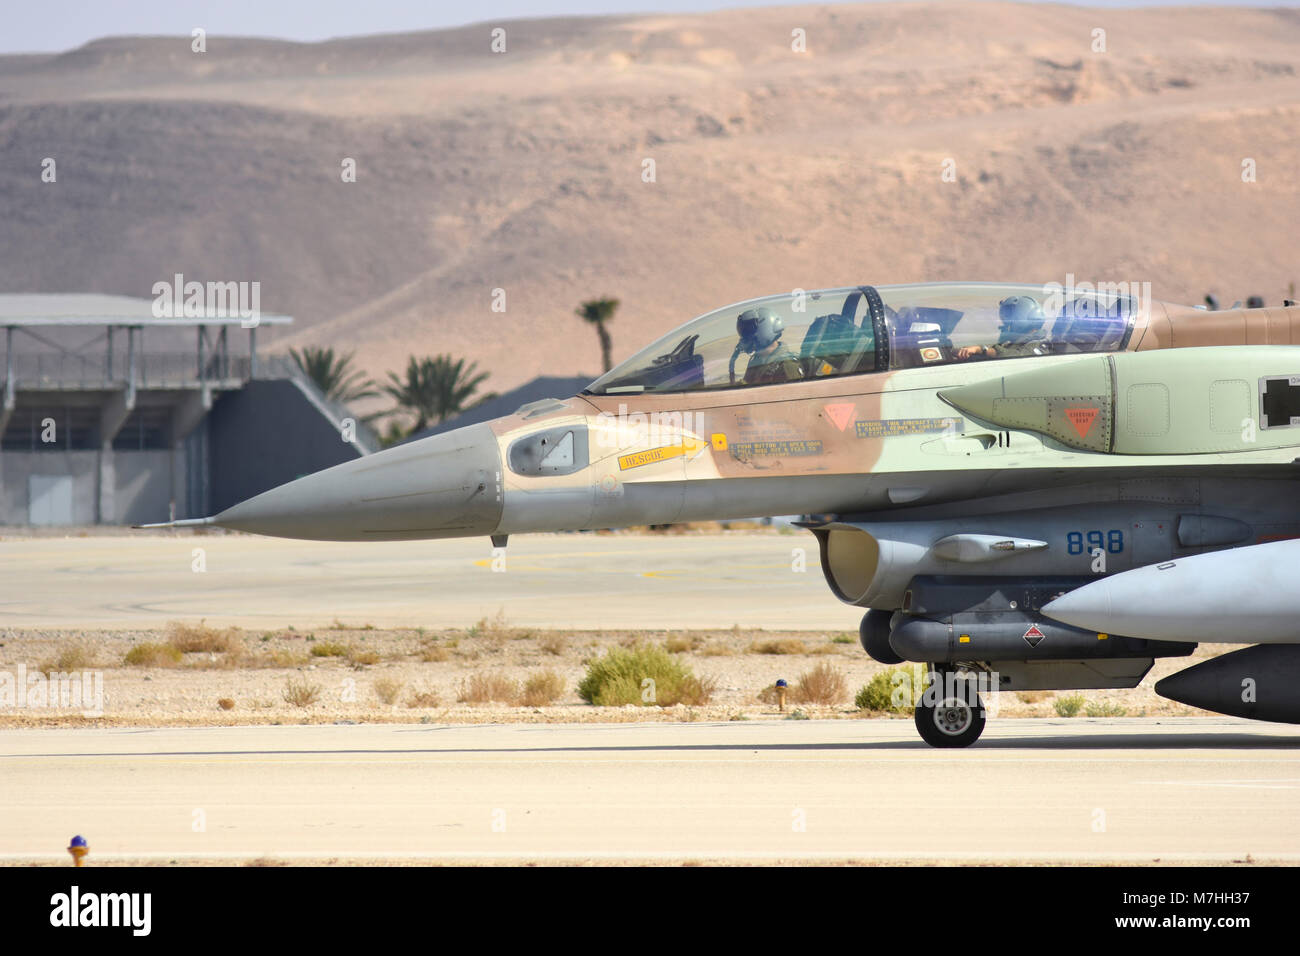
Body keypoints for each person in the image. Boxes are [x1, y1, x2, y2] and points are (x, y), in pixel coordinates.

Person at [954, 295, 1049, 360]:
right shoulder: (1016, 341)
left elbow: (1013, 356)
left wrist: (981, 349)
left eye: (1008, 320)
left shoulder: (1039, 344)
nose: (1005, 324)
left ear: (1020, 318)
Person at [735, 307, 803, 385]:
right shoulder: (756, 362)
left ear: (764, 331)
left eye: (748, 334)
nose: (745, 340)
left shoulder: (786, 366)